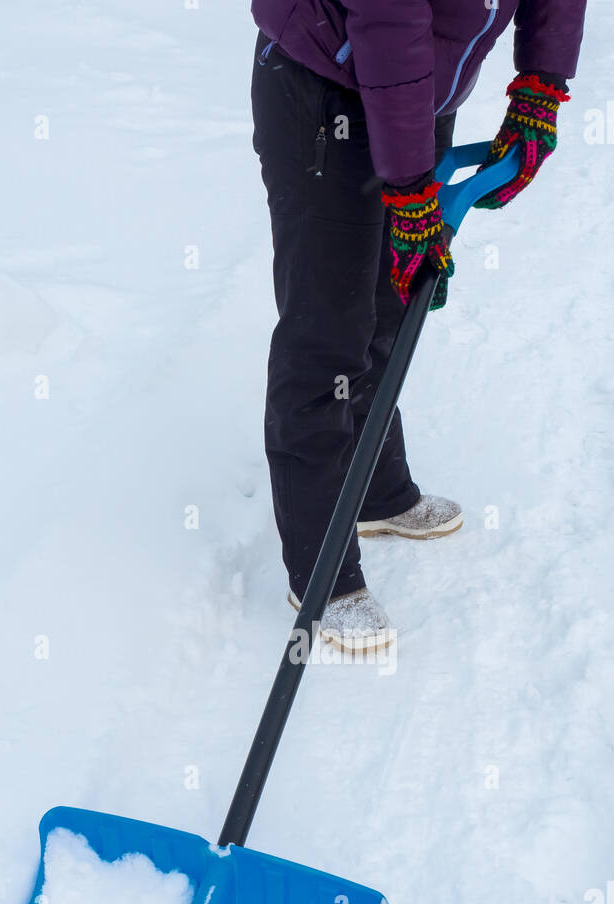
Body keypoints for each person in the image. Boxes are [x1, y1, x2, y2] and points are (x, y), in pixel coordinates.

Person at [250, 1, 588, 652]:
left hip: (413, 90)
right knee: (327, 327)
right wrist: (407, 191)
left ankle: (375, 491)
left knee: (388, 297)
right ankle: (320, 572)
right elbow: (389, 20)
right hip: (326, 90)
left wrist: (540, 84)